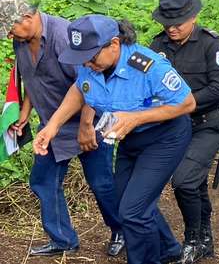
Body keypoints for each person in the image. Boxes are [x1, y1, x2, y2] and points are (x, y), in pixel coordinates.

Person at [34, 15, 196, 264]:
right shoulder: (91, 65)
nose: (86, 63)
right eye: (82, 57)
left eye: (91, 56)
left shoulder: (148, 67)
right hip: (131, 137)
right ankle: (167, 250)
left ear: (114, 44)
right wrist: (52, 126)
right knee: (124, 202)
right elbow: (80, 90)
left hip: (165, 136)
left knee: (133, 212)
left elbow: (186, 103)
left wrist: (136, 118)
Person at [0, 0, 124, 258]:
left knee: (101, 182)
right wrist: (25, 111)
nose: (10, 36)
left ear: (29, 17)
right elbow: (34, 77)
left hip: (89, 122)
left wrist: (87, 125)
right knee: (43, 180)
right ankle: (63, 239)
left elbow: (92, 80)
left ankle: (122, 230)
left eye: (11, 29)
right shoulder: (22, 41)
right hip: (53, 125)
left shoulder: (65, 35)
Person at [149, 0, 219, 264]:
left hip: (207, 123)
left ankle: (193, 238)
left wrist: (182, 103)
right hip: (174, 125)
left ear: (193, 17)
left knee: (183, 180)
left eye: (178, 24)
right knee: (193, 181)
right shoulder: (158, 45)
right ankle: (204, 239)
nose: (171, 29)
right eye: (167, 24)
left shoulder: (212, 44)